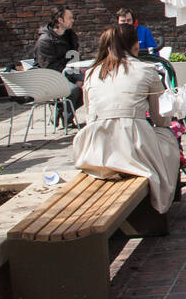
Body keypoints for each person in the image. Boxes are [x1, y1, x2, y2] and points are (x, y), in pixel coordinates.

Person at [72, 23, 180, 214]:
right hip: (132, 143)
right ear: (135, 46)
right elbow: (159, 117)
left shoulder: (91, 73)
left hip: (95, 146)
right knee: (167, 140)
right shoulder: (146, 70)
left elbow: (90, 114)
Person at [35, 6, 83, 125]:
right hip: (52, 78)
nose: (73, 20)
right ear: (60, 20)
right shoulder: (45, 41)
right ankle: (66, 117)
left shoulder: (70, 36)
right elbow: (50, 67)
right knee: (74, 89)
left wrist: (80, 72)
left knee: (91, 84)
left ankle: (60, 111)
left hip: (69, 72)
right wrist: (74, 79)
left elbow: (74, 58)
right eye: (70, 18)